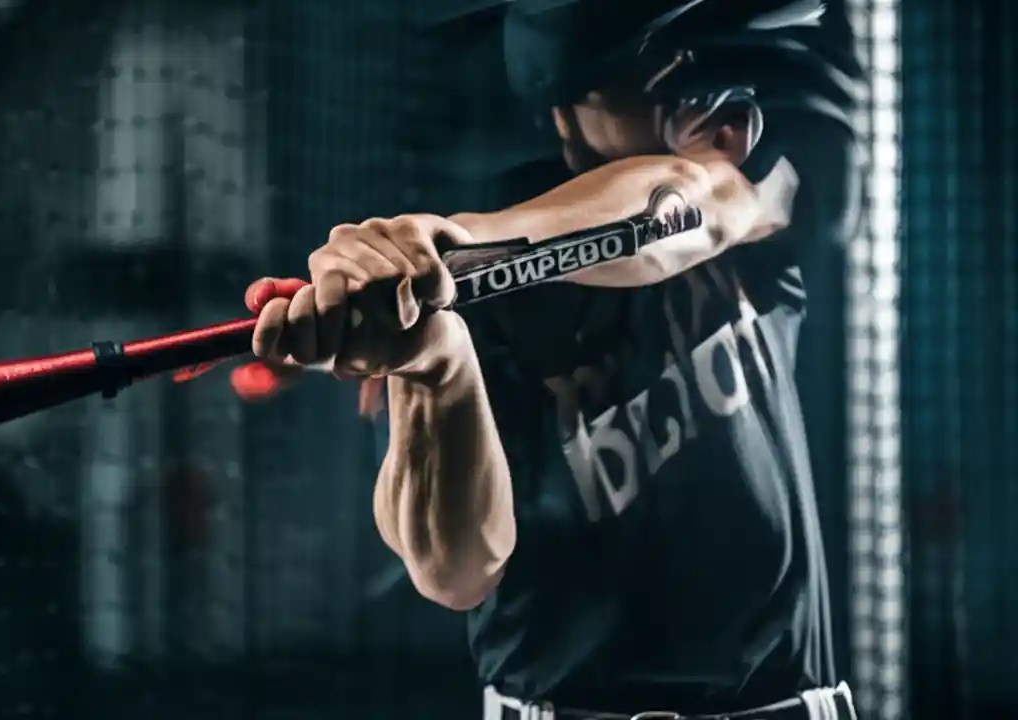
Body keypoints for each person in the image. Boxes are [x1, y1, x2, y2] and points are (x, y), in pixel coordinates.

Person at [249, 1, 862, 718]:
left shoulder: (754, 183)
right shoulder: (466, 303)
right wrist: (435, 369)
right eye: (672, 82)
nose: (720, 111)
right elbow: (456, 572)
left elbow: (695, 202)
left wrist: (463, 248)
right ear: (569, 109)